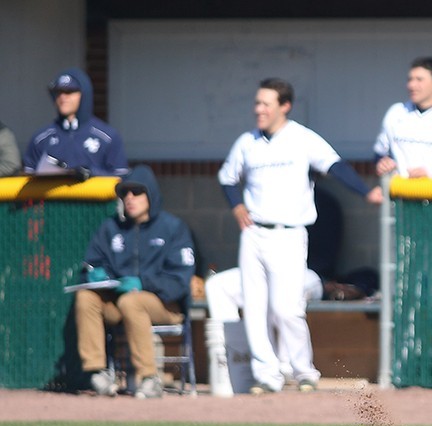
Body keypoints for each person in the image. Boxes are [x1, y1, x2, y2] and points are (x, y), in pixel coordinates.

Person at [218, 77, 381, 395]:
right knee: (255, 307)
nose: (259, 109)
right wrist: (236, 205)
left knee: (286, 308)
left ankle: (303, 371)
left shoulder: (302, 138)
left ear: (285, 106)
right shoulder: (247, 142)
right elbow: (226, 178)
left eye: (266, 103)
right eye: (257, 103)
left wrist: (365, 192)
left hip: (289, 234)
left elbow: (335, 165)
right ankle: (267, 375)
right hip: (253, 234)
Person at [75, 165, 195, 399]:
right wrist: (97, 275)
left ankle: (149, 378)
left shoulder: (173, 228)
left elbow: (180, 280)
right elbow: (91, 264)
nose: (129, 198)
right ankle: (98, 372)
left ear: (150, 194)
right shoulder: (111, 228)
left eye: (136, 192)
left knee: (133, 302)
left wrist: (143, 282)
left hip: (165, 305)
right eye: (124, 193)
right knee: (86, 297)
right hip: (119, 303)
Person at [23, 68, 129, 177]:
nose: (63, 97)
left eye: (69, 92)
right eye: (58, 92)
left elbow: (121, 180)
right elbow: (27, 180)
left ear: (84, 95)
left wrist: (90, 173)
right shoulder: (40, 138)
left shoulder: (107, 137)